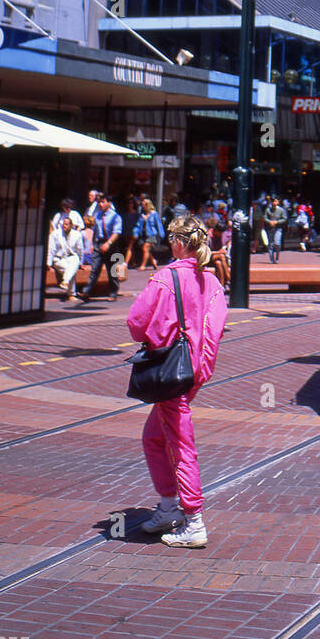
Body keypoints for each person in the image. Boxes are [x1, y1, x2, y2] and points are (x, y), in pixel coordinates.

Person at [127, 214, 229, 548]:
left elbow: (136, 323)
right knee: (155, 437)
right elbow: (214, 329)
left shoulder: (164, 277)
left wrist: (159, 334)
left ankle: (193, 520)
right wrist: (201, 367)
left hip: (169, 372)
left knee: (181, 444)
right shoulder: (211, 282)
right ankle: (169, 506)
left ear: (178, 242)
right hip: (193, 372)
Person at [80, 193, 122, 303]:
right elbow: (95, 230)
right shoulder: (97, 215)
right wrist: (92, 244)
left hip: (111, 245)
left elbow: (116, 233)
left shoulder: (115, 216)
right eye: (99, 202)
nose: (101, 204)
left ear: (109, 203)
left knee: (112, 270)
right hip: (99, 244)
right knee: (94, 269)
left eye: (103, 202)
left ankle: (113, 292)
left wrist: (108, 243)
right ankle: (86, 291)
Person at [47, 213, 84, 299]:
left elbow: (80, 250)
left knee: (75, 261)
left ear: (71, 226)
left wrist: (81, 263)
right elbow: (51, 249)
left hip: (71, 257)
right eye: (63, 224)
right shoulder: (55, 234)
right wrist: (48, 263)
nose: (64, 226)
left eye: (66, 224)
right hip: (59, 259)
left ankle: (65, 282)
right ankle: (71, 294)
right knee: (71, 270)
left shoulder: (77, 235)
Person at [136, 197, 165, 269]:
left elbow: (159, 224)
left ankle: (143, 265)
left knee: (145, 248)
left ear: (147, 205)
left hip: (152, 234)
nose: (141, 206)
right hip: (144, 235)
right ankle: (153, 261)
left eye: (142, 205)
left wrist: (161, 235)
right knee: (147, 250)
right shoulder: (142, 215)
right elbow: (138, 225)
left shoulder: (154, 214)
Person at [206, 217, 231, 287]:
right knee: (221, 256)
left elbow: (231, 236)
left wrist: (228, 244)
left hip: (216, 259)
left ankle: (222, 285)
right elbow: (205, 252)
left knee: (218, 263)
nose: (221, 235)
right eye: (220, 233)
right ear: (216, 231)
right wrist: (218, 252)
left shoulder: (221, 235)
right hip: (207, 258)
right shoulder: (207, 237)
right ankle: (229, 277)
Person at [263, 196, 287, 264]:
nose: (274, 203)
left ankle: (277, 258)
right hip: (270, 228)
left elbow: (284, 218)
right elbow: (265, 217)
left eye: (276, 201)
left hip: (278, 228)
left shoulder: (281, 210)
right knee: (271, 244)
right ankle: (271, 259)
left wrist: (277, 222)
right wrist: (269, 222)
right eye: (273, 201)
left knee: (277, 243)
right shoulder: (268, 209)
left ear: (278, 202)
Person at [121, 194, 141, 267]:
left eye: (131, 203)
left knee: (129, 246)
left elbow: (139, 223)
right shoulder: (125, 214)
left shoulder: (136, 214)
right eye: (129, 203)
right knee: (131, 247)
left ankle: (126, 262)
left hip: (134, 232)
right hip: (127, 231)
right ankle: (133, 262)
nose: (130, 205)